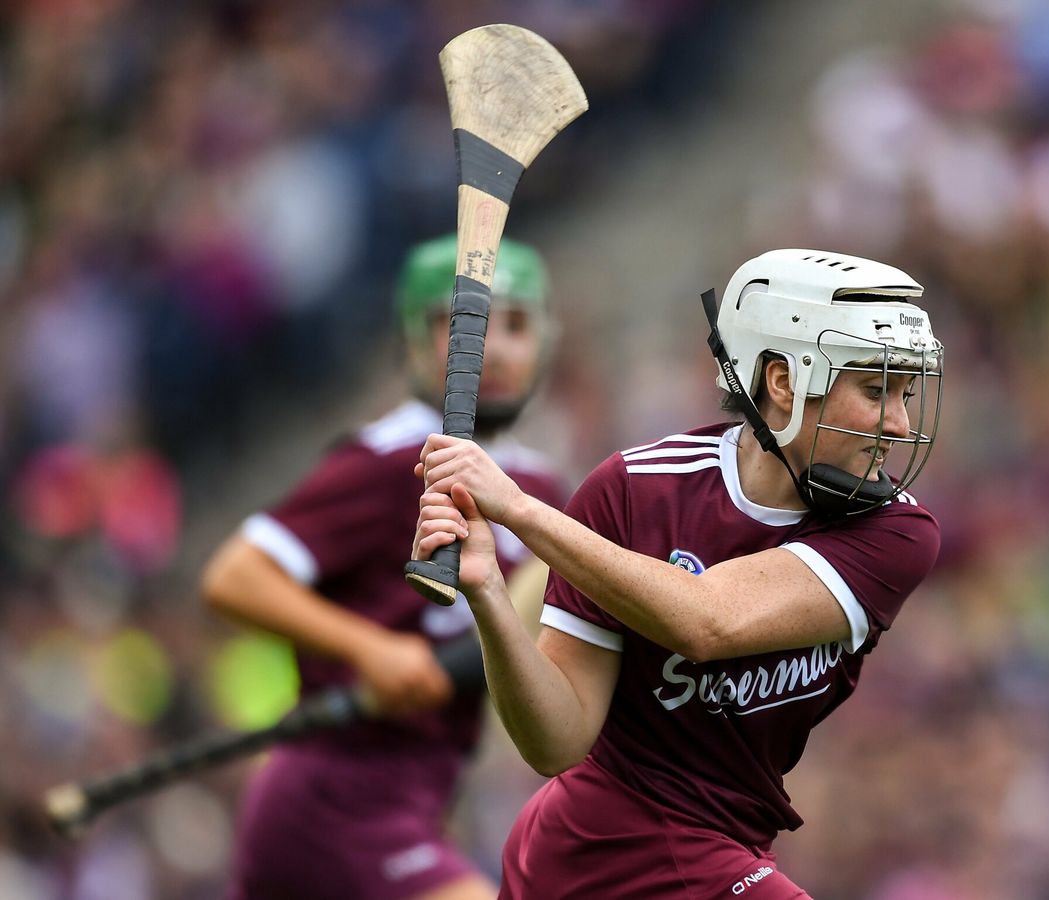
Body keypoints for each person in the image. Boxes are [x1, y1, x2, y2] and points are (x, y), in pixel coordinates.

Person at [412, 248, 945, 898]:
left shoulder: (896, 532)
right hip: (600, 848)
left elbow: (708, 621)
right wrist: (488, 592)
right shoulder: (635, 492)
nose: (899, 425)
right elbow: (557, 743)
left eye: (905, 394)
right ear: (782, 381)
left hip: (716, 850)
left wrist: (521, 513)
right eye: (874, 390)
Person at [202, 236, 570, 900]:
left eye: (518, 325)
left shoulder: (538, 488)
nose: (498, 349)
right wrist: (371, 650)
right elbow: (235, 576)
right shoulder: (388, 460)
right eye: (464, 326)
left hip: (420, 797)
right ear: (412, 340)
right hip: (337, 793)